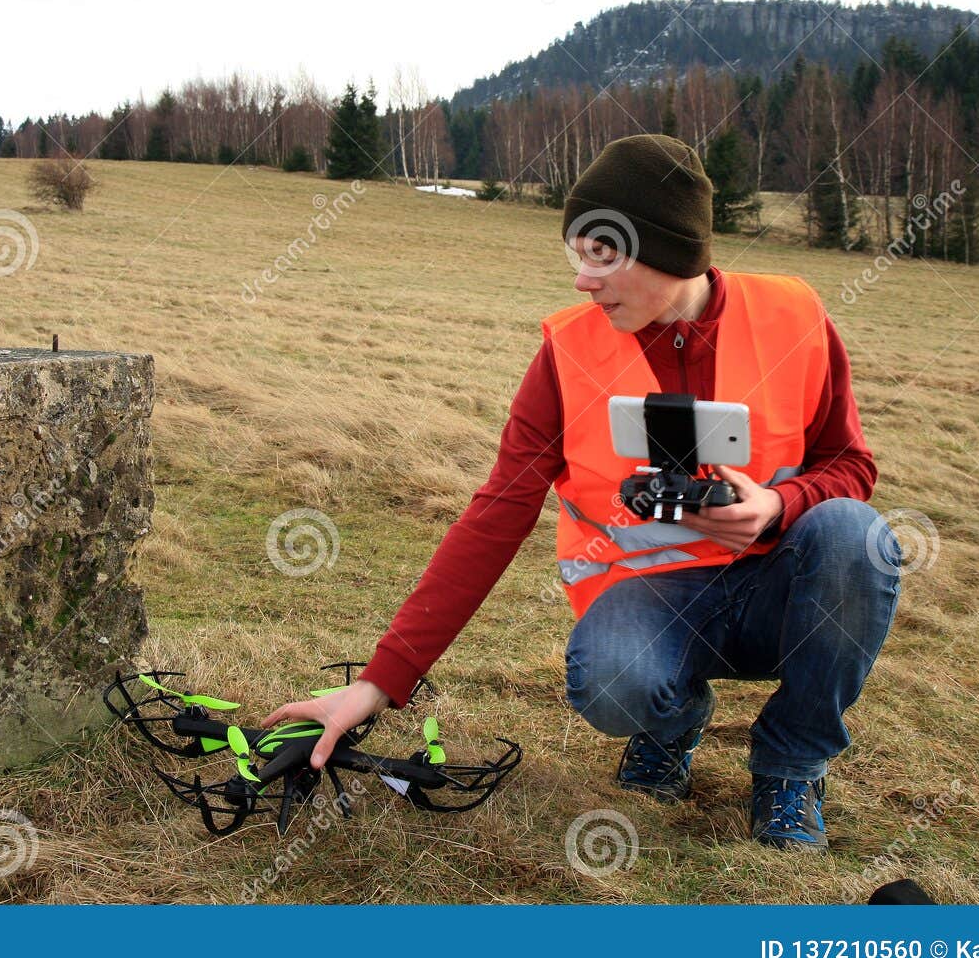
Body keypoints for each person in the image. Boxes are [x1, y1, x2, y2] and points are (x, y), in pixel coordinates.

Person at [263, 133, 901, 851]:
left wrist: (778, 507)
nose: (582, 281)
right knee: (609, 675)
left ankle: (792, 762)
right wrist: (378, 683)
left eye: (604, 256)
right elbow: (496, 512)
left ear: (672, 250)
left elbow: (850, 465)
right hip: (650, 602)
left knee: (858, 533)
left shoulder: (794, 317)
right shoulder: (567, 353)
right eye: (579, 255)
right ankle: (670, 722)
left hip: (778, 594)